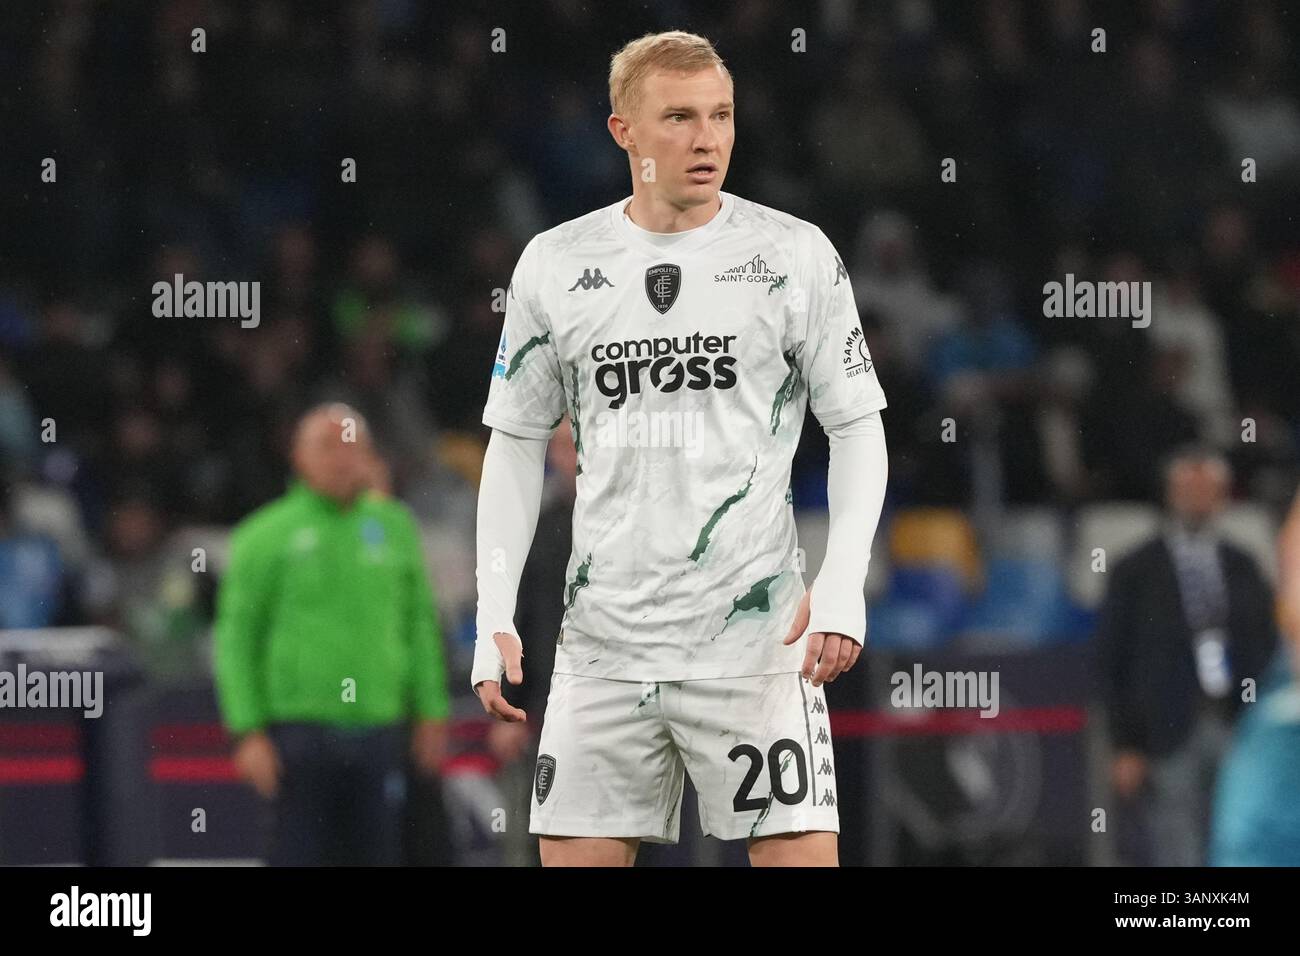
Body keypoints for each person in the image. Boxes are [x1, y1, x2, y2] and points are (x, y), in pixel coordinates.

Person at [472, 31, 889, 867]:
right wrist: (492, 613)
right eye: (680, 118)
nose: (707, 140)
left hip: (754, 645)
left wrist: (842, 583)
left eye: (722, 116)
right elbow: (515, 443)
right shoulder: (555, 264)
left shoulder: (792, 254)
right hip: (602, 650)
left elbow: (857, 427)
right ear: (623, 130)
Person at [214, 403, 451, 865]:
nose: (342, 459)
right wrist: (246, 731)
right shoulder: (264, 536)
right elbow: (236, 639)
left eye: (353, 446)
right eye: (327, 446)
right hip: (297, 735)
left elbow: (420, 625)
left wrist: (432, 711)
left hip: (381, 727)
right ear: (298, 457)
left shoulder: (394, 528)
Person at [1096, 446, 1276, 866]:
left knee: (1238, 831)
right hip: (1167, 724)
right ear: (1171, 494)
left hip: (1235, 724)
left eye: (1206, 489)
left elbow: (1266, 649)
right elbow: (1111, 661)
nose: (1197, 498)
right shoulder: (1135, 570)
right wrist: (1125, 744)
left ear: (1222, 496)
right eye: (1187, 489)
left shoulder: (1243, 566)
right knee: (1176, 836)